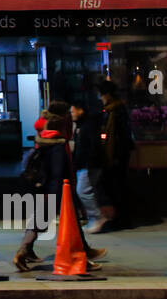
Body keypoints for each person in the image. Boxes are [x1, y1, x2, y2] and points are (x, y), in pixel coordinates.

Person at [13, 101, 106, 271]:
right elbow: (57, 173)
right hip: (57, 191)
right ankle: (81, 258)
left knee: (45, 222)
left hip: (47, 189)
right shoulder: (57, 144)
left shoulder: (45, 137)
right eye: (69, 116)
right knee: (69, 225)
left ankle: (25, 251)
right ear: (63, 120)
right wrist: (58, 194)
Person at [99, 80, 134, 230]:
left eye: (102, 95)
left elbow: (120, 136)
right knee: (117, 186)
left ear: (107, 95)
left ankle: (121, 218)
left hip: (117, 155)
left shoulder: (115, 111)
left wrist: (116, 155)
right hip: (117, 154)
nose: (100, 98)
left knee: (117, 186)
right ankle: (120, 217)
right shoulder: (114, 109)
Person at [70, 99, 110, 233]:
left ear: (80, 110)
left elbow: (92, 146)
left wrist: (87, 161)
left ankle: (96, 217)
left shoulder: (86, 126)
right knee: (88, 190)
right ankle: (95, 218)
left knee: (83, 191)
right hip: (86, 164)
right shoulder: (83, 126)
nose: (72, 114)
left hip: (88, 164)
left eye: (73, 111)